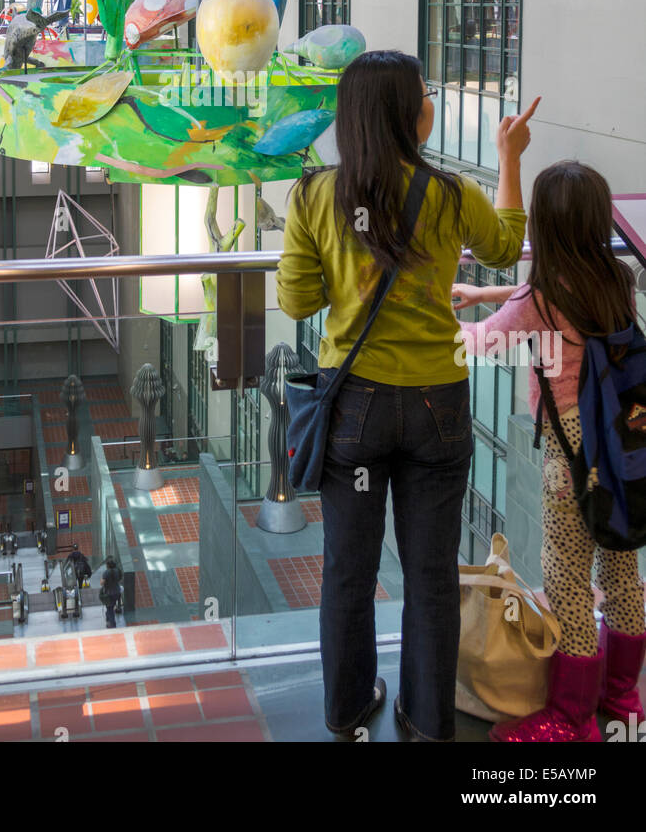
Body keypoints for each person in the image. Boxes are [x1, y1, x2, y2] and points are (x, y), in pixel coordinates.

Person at [276, 50, 538, 742]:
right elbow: (507, 247)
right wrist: (510, 156)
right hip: (437, 408)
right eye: (424, 93)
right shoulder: (451, 195)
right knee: (430, 573)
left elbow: (299, 298)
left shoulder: (312, 196)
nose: (432, 103)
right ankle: (427, 720)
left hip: (353, 407)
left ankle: (346, 708)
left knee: (348, 571)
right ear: (402, 112)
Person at [453, 161, 645, 742]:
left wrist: (424, 320)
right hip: (621, 443)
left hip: (571, 453)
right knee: (620, 566)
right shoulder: (616, 276)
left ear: (546, 228)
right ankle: (623, 698)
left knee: (565, 578)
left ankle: (572, 718)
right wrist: (488, 292)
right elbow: (536, 304)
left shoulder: (541, 296)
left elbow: (482, 343)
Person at [99, 557, 123, 629]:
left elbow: (102, 583)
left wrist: (102, 580)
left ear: (108, 565)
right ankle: (108, 618)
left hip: (109, 593)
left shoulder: (106, 572)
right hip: (117, 592)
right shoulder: (118, 570)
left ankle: (112, 624)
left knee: (110, 608)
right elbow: (120, 578)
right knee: (111, 606)